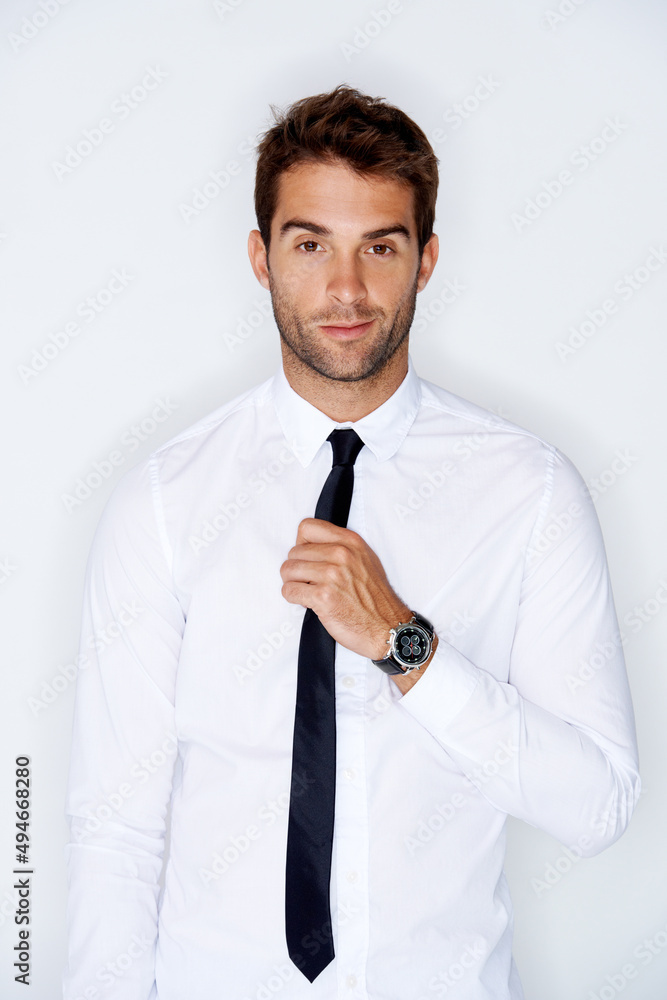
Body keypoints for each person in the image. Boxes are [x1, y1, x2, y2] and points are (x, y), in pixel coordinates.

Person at [62, 84, 640, 1000]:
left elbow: (597, 806)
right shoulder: (166, 502)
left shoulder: (528, 492)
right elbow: (115, 832)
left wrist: (404, 645)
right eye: (309, 244)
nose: (345, 289)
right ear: (260, 258)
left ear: (427, 259)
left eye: (380, 246)